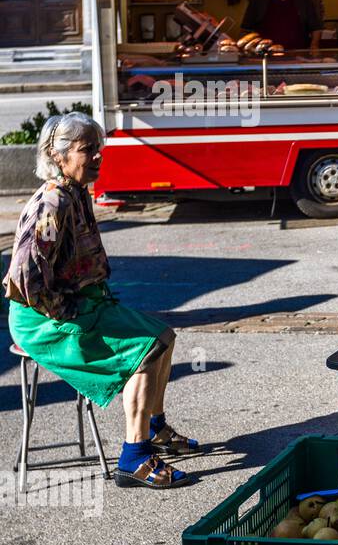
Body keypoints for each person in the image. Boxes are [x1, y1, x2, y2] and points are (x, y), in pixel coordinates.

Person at [5, 114, 198, 490]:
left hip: (83, 306)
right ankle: (134, 458)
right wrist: (70, 312)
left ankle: (154, 427)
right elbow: (24, 278)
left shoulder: (75, 193)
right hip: (43, 322)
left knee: (165, 335)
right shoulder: (53, 204)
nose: (97, 156)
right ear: (58, 156)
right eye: (86, 150)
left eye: (98, 148)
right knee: (145, 351)